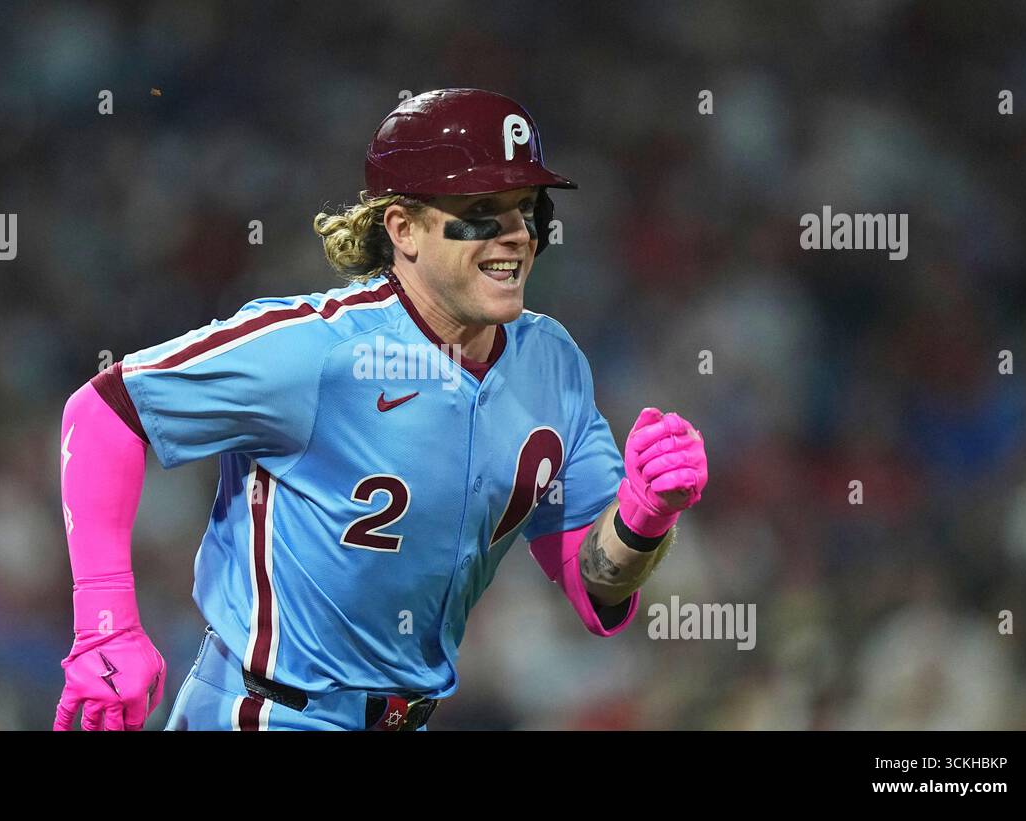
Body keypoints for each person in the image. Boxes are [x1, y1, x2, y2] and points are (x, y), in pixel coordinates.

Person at [53, 88, 708, 731]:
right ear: (405, 228)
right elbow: (107, 409)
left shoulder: (552, 365)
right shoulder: (318, 350)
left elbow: (593, 584)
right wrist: (105, 623)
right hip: (269, 709)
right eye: (483, 210)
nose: (516, 235)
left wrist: (646, 517)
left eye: (528, 209)